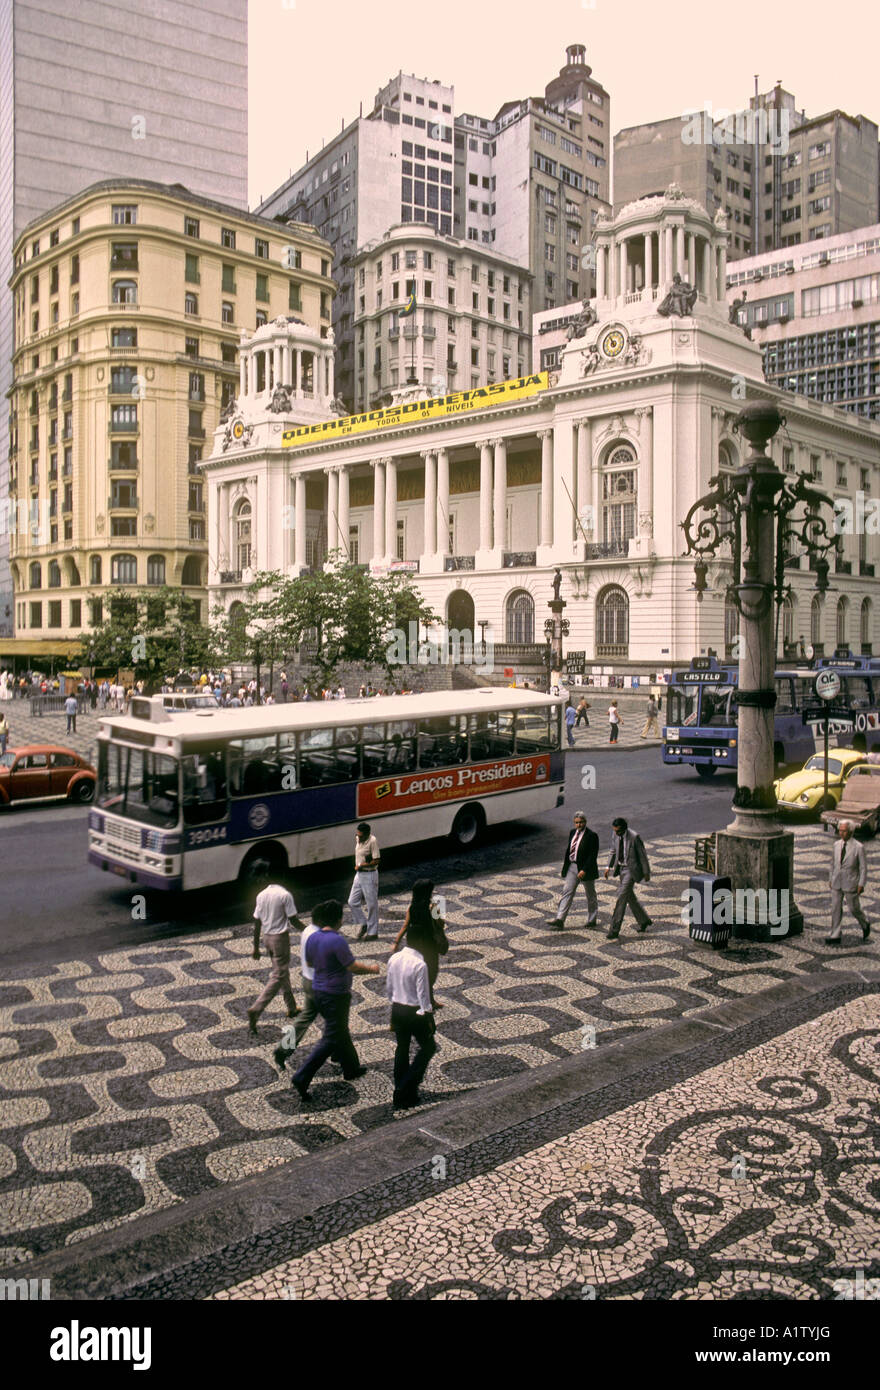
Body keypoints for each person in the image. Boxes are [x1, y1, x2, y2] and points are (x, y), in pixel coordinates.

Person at [290, 899, 380, 1101]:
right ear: (338, 919)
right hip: (336, 993)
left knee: (340, 1030)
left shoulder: (313, 937)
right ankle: (302, 1076)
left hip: (318, 990)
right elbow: (352, 966)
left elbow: (310, 962)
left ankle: (351, 1068)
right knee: (331, 1036)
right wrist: (372, 969)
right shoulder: (336, 940)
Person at [247, 873, 306, 1035]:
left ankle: (292, 1007)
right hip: (280, 939)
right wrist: (310, 930)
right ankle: (256, 1009)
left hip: (267, 938)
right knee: (278, 975)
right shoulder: (284, 895)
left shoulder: (261, 895)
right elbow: (294, 920)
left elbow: (257, 921)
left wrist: (256, 947)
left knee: (282, 971)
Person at [387, 924, 437, 1110]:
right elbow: (423, 996)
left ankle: (400, 1088)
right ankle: (407, 1085)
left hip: (397, 1008)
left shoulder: (394, 958)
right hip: (415, 1012)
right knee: (428, 1047)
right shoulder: (420, 964)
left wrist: (392, 1013)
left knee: (402, 1047)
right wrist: (429, 1019)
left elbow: (389, 988)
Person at [273, 904, 323, 1073]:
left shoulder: (308, 930)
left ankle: (282, 1049)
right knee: (337, 1025)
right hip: (321, 984)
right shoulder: (318, 935)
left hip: (308, 981)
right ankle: (344, 1059)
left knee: (304, 1019)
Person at [391, 879, 449, 1006]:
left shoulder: (412, 907)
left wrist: (396, 942)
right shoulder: (432, 906)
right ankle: (427, 1000)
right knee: (431, 970)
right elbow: (441, 923)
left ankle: (428, 999)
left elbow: (405, 926)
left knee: (420, 970)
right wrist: (440, 910)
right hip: (428, 942)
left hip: (414, 941)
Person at [547, 812, 600, 932]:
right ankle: (560, 919)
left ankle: (592, 919)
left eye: (581, 822)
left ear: (585, 822)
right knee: (567, 891)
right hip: (572, 866)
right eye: (577, 822)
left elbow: (592, 855)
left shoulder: (592, 835)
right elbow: (569, 850)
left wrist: (584, 870)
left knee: (590, 894)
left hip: (586, 869)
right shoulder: (572, 833)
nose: (579, 825)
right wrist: (565, 867)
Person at [604, 817, 652, 939]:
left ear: (624, 829)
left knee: (622, 896)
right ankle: (644, 920)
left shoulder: (634, 837)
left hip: (631, 870)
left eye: (619, 831)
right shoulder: (615, 834)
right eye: (615, 831)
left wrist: (646, 872)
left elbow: (642, 855)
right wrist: (608, 866)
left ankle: (614, 929)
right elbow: (613, 850)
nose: (616, 833)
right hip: (621, 869)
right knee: (629, 897)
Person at [827, 821, 871, 946]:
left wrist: (861, 884)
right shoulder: (836, 845)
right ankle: (835, 934)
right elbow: (833, 863)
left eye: (844, 830)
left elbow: (863, 868)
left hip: (851, 882)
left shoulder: (858, 847)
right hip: (836, 881)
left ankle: (864, 923)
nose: (841, 833)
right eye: (840, 830)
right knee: (835, 908)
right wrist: (831, 878)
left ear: (851, 831)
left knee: (854, 908)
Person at [350, 821, 380, 941]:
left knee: (371, 904)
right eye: (357, 834)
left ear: (368, 834)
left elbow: (376, 859)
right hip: (359, 874)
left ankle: (373, 932)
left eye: (361, 835)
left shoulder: (372, 841)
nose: (358, 837)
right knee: (352, 901)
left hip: (369, 874)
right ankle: (363, 923)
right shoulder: (358, 838)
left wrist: (363, 865)